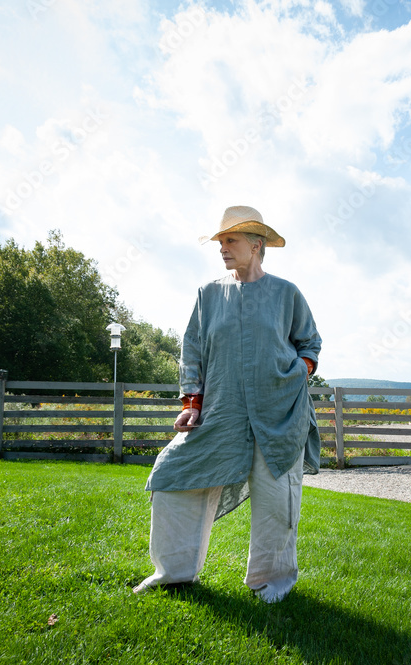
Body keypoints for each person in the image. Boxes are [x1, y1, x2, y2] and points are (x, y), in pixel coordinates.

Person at [133, 205, 321, 603]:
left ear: (256, 245)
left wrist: (296, 374)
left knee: (276, 501)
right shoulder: (208, 294)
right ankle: (173, 572)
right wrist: (192, 402)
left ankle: (272, 581)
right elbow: (193, 351)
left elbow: (310, 342)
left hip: (280, 414)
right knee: (172, 478)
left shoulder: (287, 293)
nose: (222, 247)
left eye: (230, 240)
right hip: (221, 413)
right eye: (220, 241)